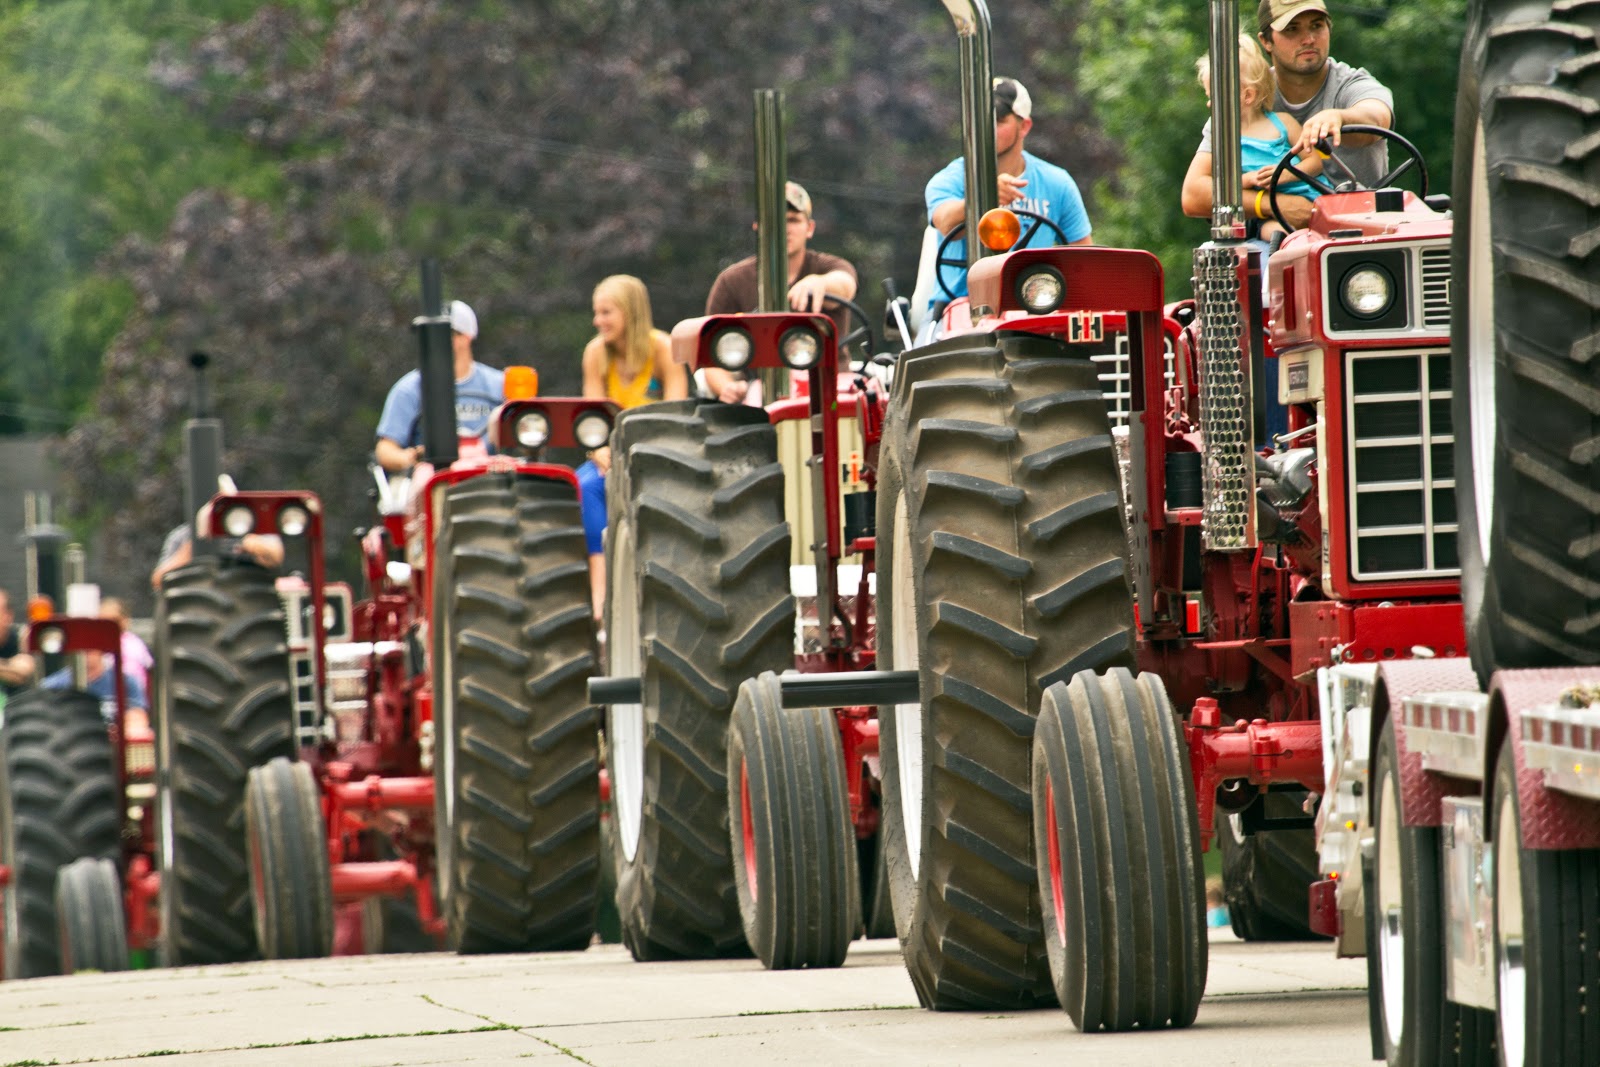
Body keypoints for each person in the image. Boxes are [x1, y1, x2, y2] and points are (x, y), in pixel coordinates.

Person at [1181, 1, 1395, 229]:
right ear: (1266, 41)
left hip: (1365, 230)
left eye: (1316, 26)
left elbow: (1376, 118)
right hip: (1279, 233)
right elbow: (1194, 195)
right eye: (1292, 29)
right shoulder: (1244, 96)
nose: (1308, 39)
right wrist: (1270, 204)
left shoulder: (1353, 86)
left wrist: (1340, 118)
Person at [923, 76, 1093, 319]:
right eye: (981, 121)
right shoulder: (949, 180)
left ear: (1024, 126)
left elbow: (1084, 261)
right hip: (956, 310)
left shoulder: (1057, 184)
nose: (987, 130)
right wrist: (982, 198)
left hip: (1034, 310)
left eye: (999, 121)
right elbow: (946, 222)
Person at [578, 275, 689, 620]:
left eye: (606, 312)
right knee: (585, 486)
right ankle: (600, 588)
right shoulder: (596, 353)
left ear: (630, 312)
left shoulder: (664, 349)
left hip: (659, 450)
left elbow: (676, 414)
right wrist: (600, 451)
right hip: (612, 453)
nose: (597, 321)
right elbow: (593, 419)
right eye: (596, 313)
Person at [702, 180, 859, 405]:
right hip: (759, 399)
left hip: (831, 394)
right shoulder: (732, 281)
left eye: (793, 220)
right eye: (774, 220)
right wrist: (728, 387)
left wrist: (820, 283)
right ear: (757, 226)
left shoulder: (830, 268)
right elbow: (710, 355)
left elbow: (845, 285)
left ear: (809, 228)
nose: (785, 228)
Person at [1185, 36, 1324, 241]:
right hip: (1272, 216)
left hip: (1313, 198)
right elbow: (1218, 187)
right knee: (1271, 232)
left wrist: (1286, 174)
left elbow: (1315, 162)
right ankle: (1296, 246)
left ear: (1248, 96)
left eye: (1214, 97)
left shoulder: (1283, 123)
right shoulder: (1223, 137)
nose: (1209, 104)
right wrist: (1247, 180)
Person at [375, 300, 506, 472]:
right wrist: (411, 458)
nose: (437, 341)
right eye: (431, 335)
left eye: (446, 334)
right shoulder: (410, 389)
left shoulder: (499, 385)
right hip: (433, 476)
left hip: (490, 476)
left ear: (467, 336)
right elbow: (386, 449)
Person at [150, 523, 286, 590]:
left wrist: (251, 544)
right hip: (197, 597)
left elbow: (276, 556)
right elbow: (158, 580)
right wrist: (189, 551)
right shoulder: (183, 535)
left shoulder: (252, 529)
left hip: (247, 595)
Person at [42, 648, 147, 727]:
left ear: (101, 651)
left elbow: (137, 718)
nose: (84, 654)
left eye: (89, 650)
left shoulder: (126, 681)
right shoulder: (52, 685)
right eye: (79, 649)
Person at [99, 597, 153, 693]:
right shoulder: (93, 647)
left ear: (125, 620)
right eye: (103, 621)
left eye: (113, 621)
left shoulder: (133, 647)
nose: (108, 626)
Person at [0, 589, 36, 698]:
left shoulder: (20, 636)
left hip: (18, 704)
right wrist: (8, 665)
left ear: (8, 616)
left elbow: (22, 672)